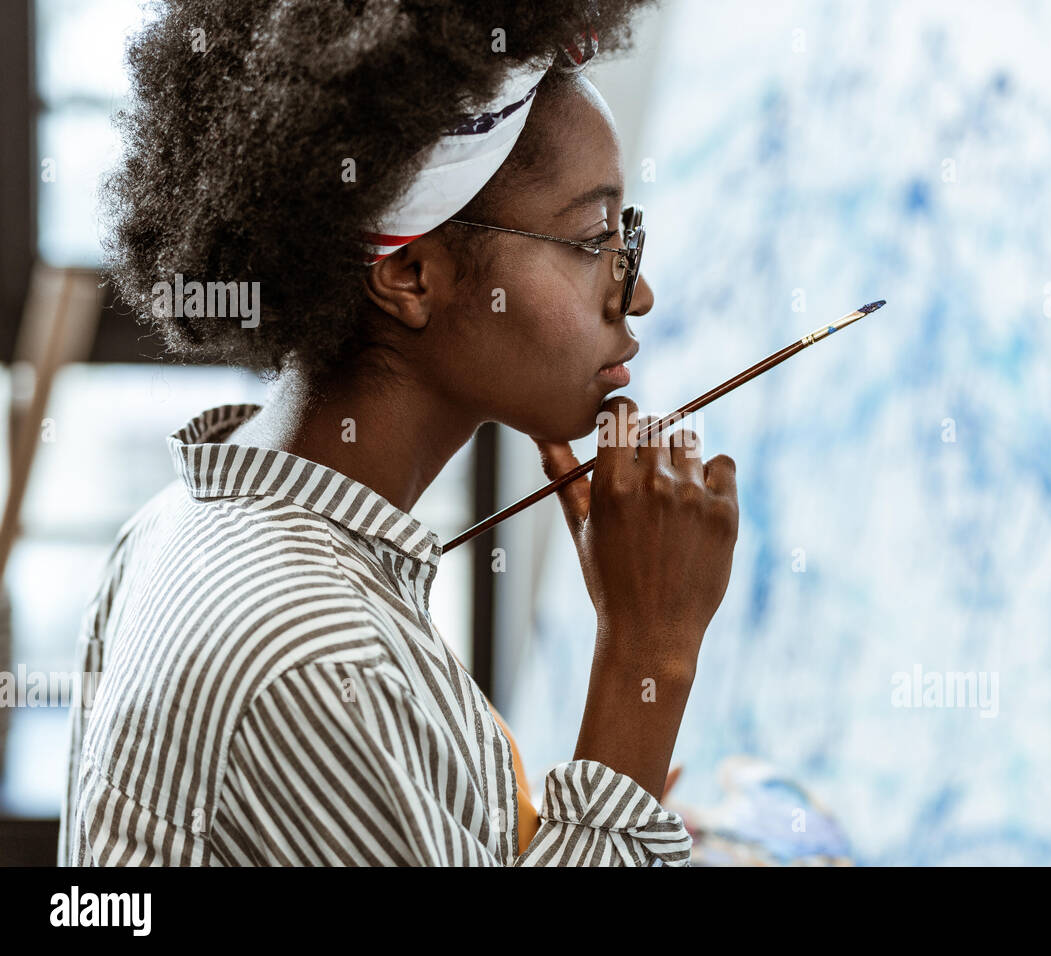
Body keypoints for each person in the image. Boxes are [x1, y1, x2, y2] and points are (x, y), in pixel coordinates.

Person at [58, 0, 739, 866]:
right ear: (412, 274)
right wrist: (651, 647)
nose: (635, 294)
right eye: (595, 238)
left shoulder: (172, 528)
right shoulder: (314, 659)